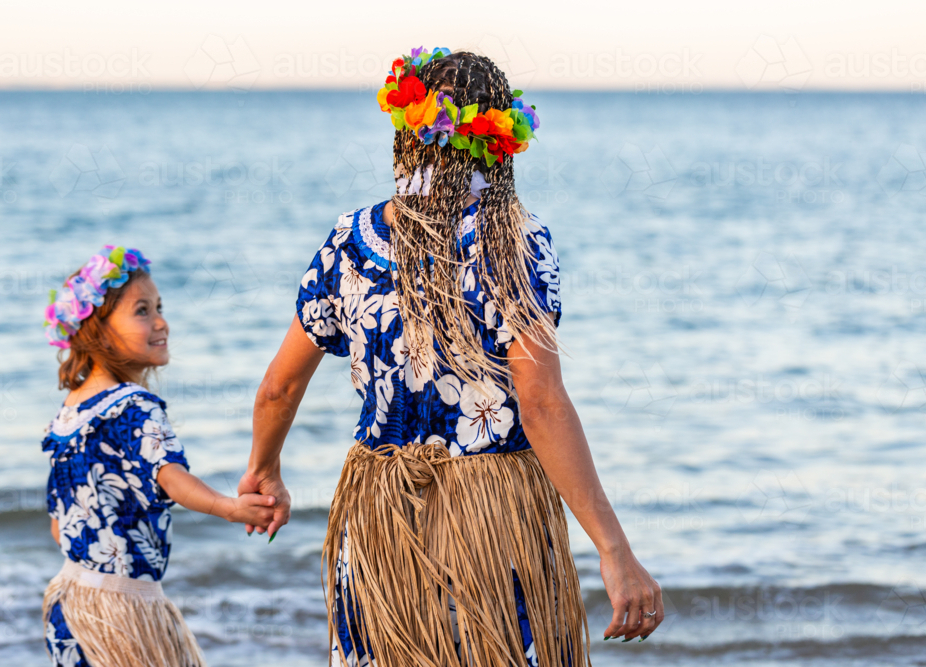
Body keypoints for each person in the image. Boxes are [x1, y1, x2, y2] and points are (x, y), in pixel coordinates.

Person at [239, 48, 664, 666]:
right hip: (492, 520)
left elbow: (278, 389)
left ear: (408, 132)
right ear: (500, 141)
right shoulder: (512, 239)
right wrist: (614, 549)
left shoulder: (350, 241)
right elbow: (540, 403)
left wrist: (264, 469)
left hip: (380, 513)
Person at [40, 246, 276, 667]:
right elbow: (170, 476)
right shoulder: (136, 405)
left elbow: (59, 527)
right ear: (96, 328)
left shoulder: (69, 415)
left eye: (159, 307)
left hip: (70, 604)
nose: (161, 322)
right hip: (122, 615)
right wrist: (229, 508)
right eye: (142, 311)